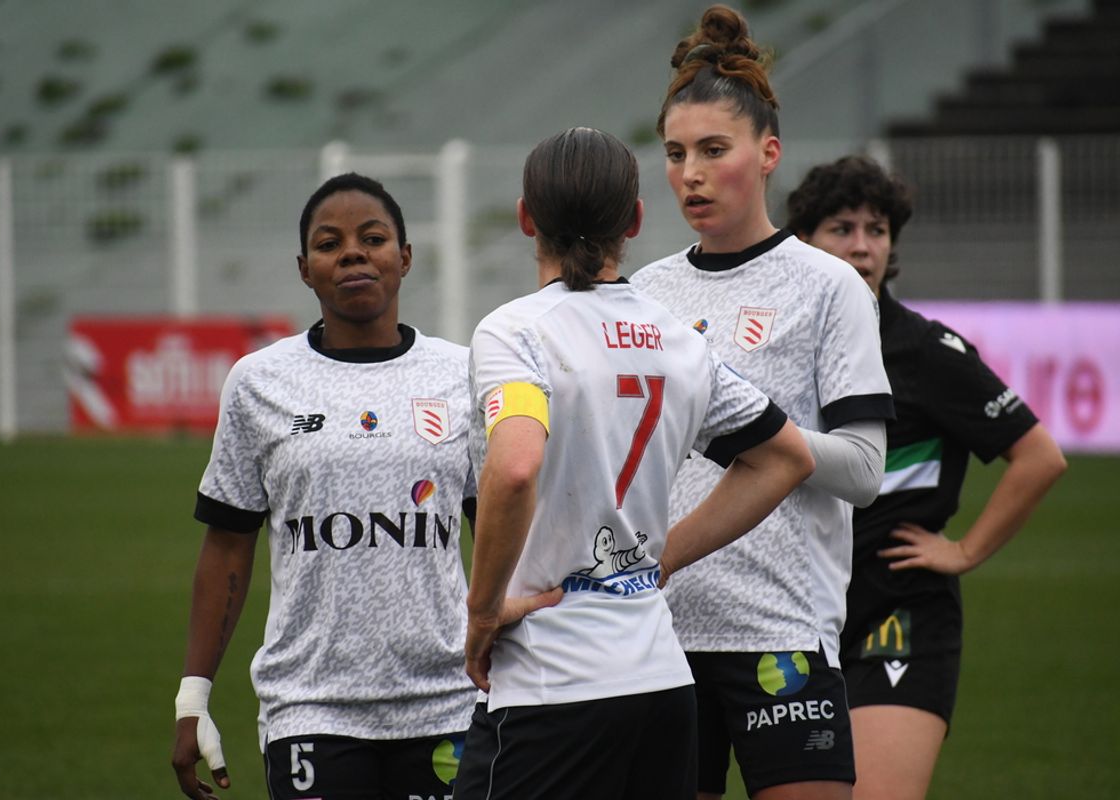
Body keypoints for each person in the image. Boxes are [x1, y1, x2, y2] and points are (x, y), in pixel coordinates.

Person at [453, 127, 816, 800]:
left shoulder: (516, 331)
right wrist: (660, 559)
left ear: (526, 216)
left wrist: (480, 615)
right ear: (636, 220)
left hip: (550, 681)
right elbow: (784, 459)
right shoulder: (679, 340)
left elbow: (513, 468)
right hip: (660, 682)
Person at [628, 6, 897, 799]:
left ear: (768, 152)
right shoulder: (646, 293)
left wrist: (758, 440)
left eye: (715, 150)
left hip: (782, 631)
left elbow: (865, 469)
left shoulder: (829, 286)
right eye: (677, 154)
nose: (692, 173)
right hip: (659, 633)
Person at [171, 173, 480, 800]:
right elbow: (228, 545)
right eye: (329, 243)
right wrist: (192, 697)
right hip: (310, 706)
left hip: (448, 701)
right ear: (305, 269)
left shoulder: (464, 375)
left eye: (373, 238)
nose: (352, 253)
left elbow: (505, 531)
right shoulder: (259, 383)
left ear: (405, 256)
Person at [786, 154, 1068, 800]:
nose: (862, 246)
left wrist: (964, 550)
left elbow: (1039, 456)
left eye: (876, 230)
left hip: (899, 615)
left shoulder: (924, 351)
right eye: (841, 228)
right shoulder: (781, 346)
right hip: (798, 612)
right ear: (801, 243)